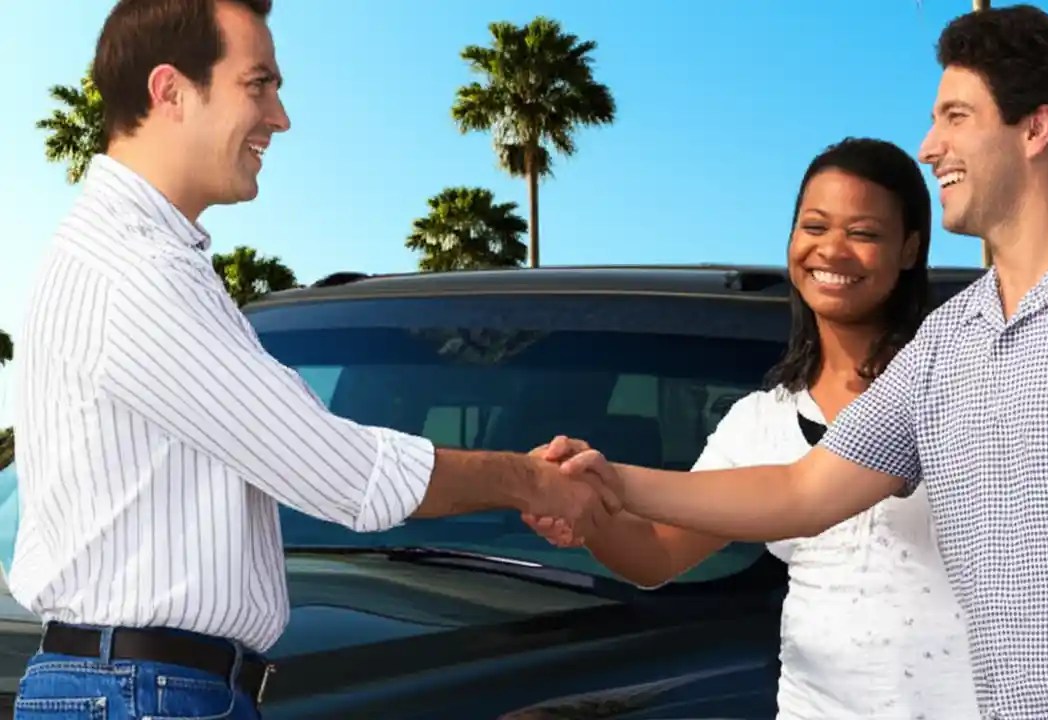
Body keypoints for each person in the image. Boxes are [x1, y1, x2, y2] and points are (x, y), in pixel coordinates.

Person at [541, 6, 1048, 720]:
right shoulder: (951, 338)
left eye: (956, 116)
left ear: (1035, 129)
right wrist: (606, 478)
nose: (928, 146)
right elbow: (803, 492)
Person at [8, 1, 616, 718]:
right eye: (257, 85)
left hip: (131, 687)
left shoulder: (119, 257)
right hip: (144, 696)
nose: (280, 117)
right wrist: (529, 483)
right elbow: (342, 475)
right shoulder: (134, 272)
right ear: (169, 91)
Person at [527, 137, 980, 719]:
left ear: (910, 248)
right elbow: (657, 554)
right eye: (814, 226)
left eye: (864, 234)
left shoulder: (961, 386)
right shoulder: (761, 419)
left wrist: (614, 479)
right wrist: (586, 510)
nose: (832, 251)